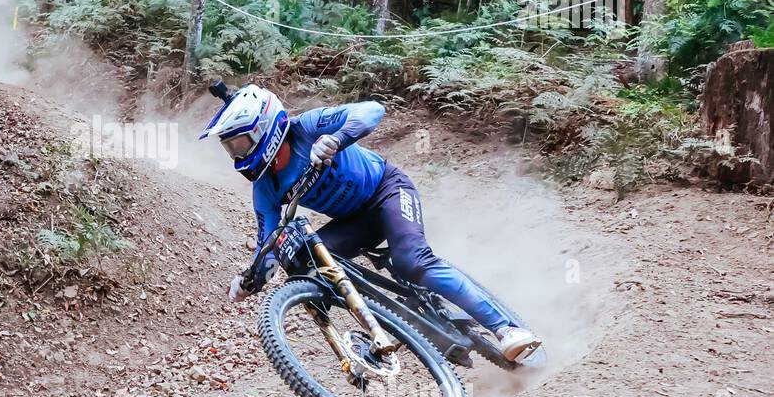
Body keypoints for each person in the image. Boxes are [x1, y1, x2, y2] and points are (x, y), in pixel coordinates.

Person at [202, 84, 542, 362]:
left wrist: (337, 139)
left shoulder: (307, 127)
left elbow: (371, 110)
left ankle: (505, 329)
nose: (237, 154)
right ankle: (394, 321)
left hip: (388, 190)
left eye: (239, 143)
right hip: (354, 221)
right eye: (230, 148)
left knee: (411, 260)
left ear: (263, 128)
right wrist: (251, 279)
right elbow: (270, 241)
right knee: (306, 262)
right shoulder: (265, 186)